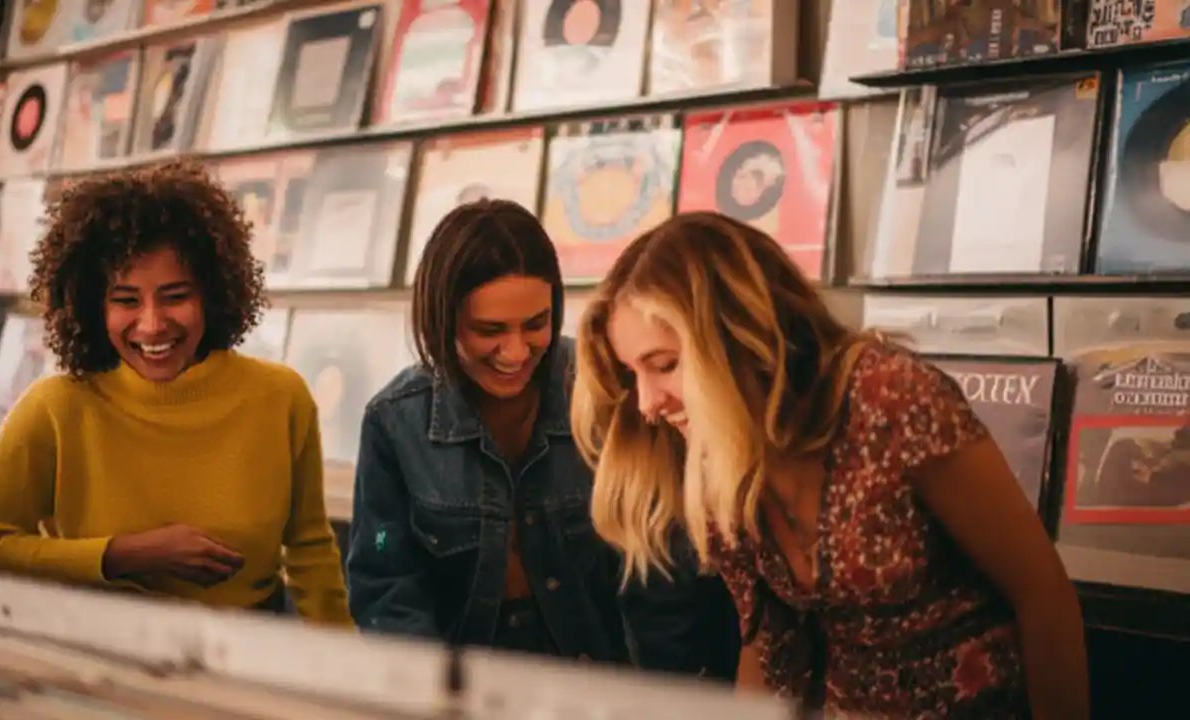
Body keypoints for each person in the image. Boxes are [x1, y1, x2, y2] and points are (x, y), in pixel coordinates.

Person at [570, 212, 1089, 718]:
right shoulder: (711, 454)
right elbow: (766, 647)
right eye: (632, 373)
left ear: (738, 334)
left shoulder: (890, 399)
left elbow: (1041, 593)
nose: (646, 403)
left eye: (663, 365)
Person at [345, 199, 737, 672]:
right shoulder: (394, 421)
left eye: (536, 325)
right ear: (441, 319)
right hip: (461, 687)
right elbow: (387, 588)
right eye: (489, 330)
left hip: (611, 681)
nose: (515, 352)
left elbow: (664, 571)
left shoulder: (612, 387)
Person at [0, 161, 351, 626]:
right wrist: (126, 555)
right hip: (101, 650)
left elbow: (309, 548)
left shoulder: (280, 396)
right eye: (126, 300)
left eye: (175, 295)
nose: (152, 324)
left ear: (213, 293)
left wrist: (339, 667)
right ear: (91, 304)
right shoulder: (57, 407)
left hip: (250, 655)